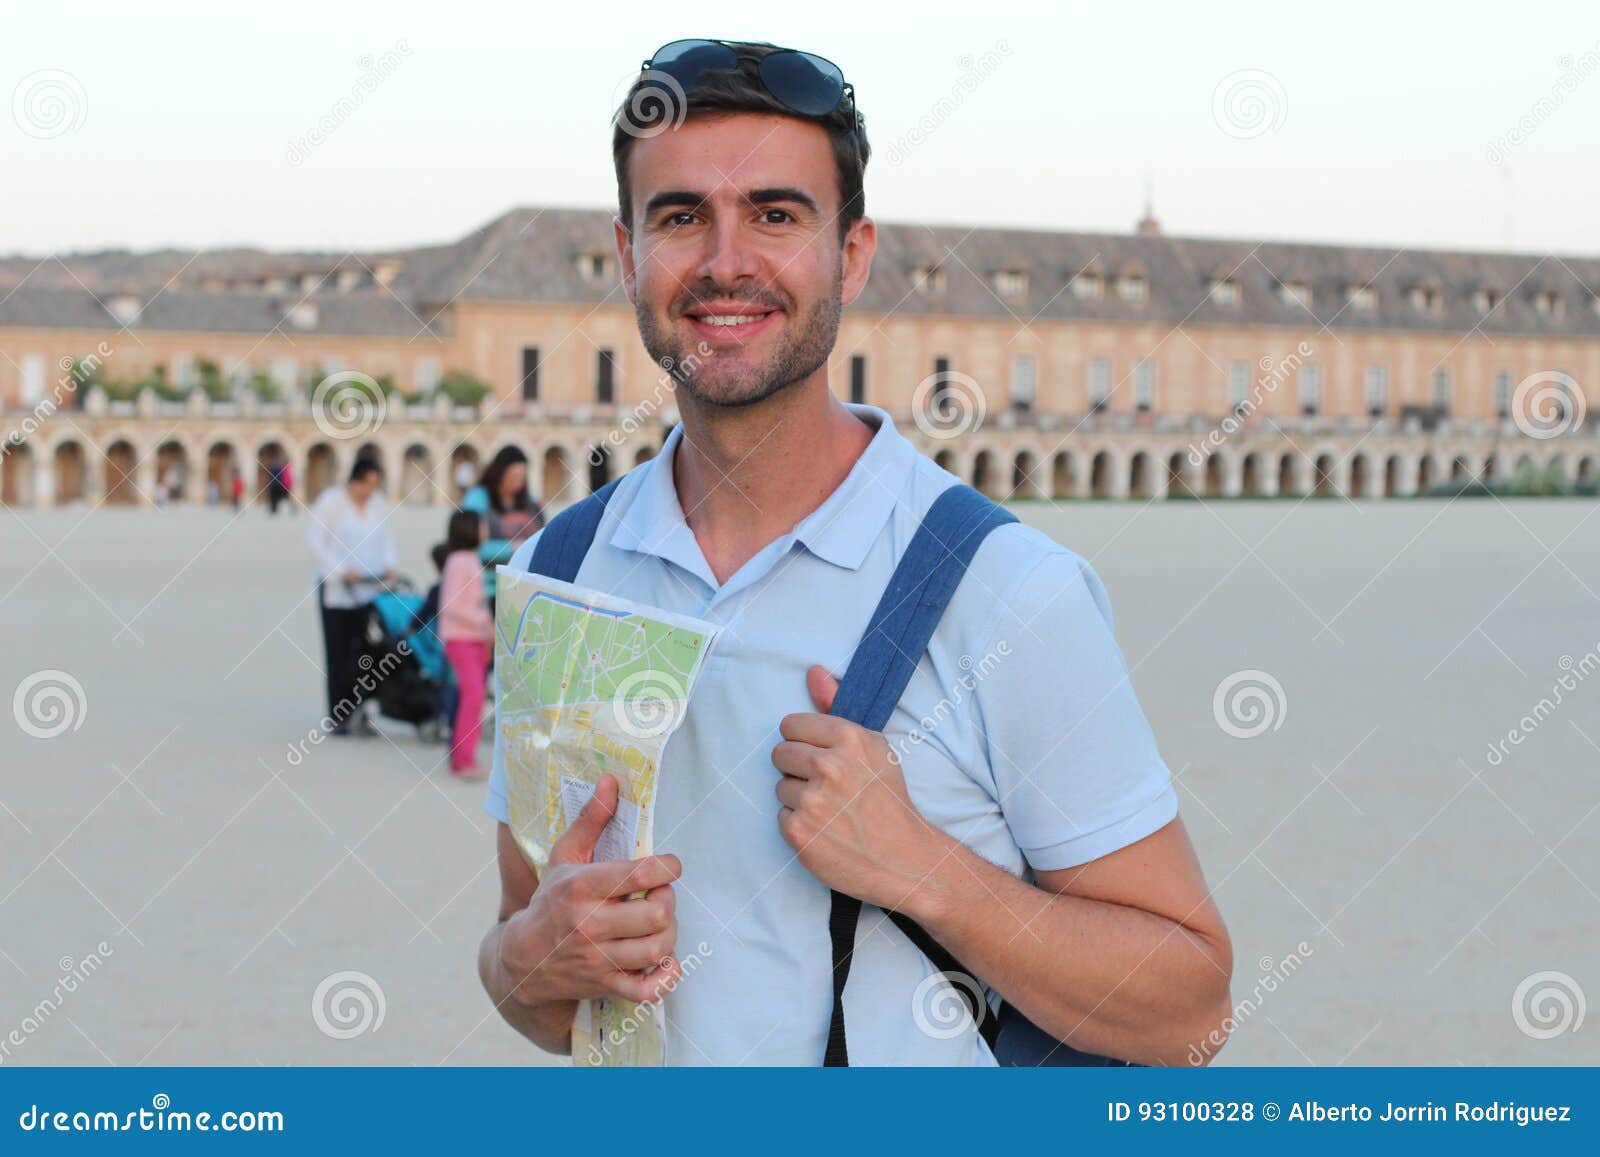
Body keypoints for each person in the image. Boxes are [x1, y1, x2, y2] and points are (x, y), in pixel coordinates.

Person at [477, 40, 1232, 1067]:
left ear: (853, 252)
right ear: (627, 253)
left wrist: (926, 870)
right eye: (680, 216)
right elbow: (525, 977)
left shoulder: (1007, 592)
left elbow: (1190, 1009)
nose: (724, 261)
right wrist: (537, 952)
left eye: (776, 215)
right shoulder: (557, 576)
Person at [305, 457, 398, 736]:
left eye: (375, 485)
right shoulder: (331, 501)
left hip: (371, 589)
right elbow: (315, 540)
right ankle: (338, 716)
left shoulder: (378, 503)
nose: (370, 491)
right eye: (367, 484)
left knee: (367, 653)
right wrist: (341, 571)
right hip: (337, 592)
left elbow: (386, 538)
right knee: (338, 653)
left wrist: (390, 567)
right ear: (355, 480)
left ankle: (362, 709)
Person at [438, 511, 493, 780]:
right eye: (482, 525)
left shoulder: (471, 559)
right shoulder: (460, 561)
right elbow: (452, 604)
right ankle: (463, 759)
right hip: (461, 637)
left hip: (474, 638)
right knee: (472, 697)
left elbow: (476, 602)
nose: (486, 529)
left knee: (474, 697)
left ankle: (464, 756)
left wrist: (488, 628)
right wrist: (483, 624)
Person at [460, 447, 546, 599]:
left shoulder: (531, 501)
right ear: (499, 474)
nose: (517, 484)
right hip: (489, 589)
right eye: (512, 477)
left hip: (525, 588)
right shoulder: (478, 498)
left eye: (521, 478)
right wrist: (512, 548)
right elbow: (467, 546)